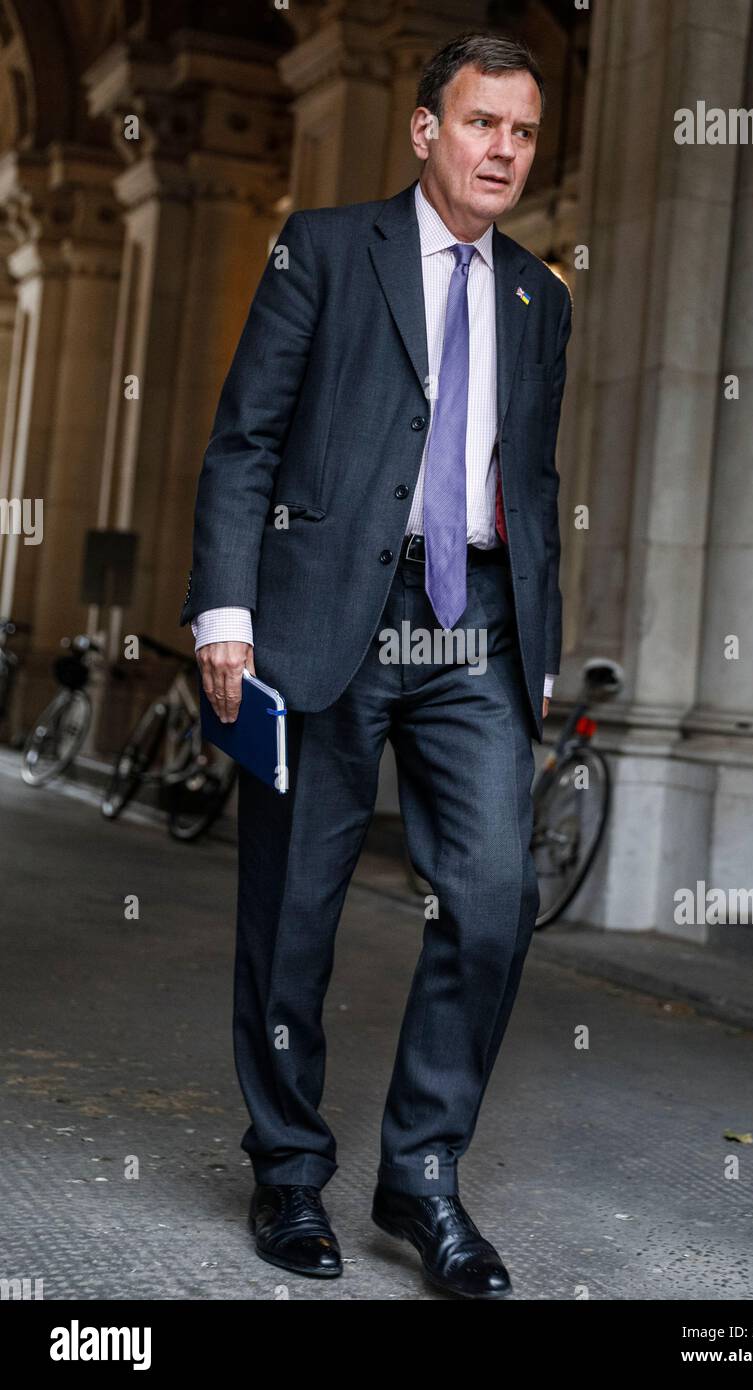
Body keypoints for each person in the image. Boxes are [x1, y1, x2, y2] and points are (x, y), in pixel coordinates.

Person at [180, 30, 572, 1300]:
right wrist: (224, 613)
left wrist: (545, 646)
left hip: (475, 630)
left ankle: (421, 1172)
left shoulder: (538, 298)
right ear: (424, 131)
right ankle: (290, 1170)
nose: (502, 149)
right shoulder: (323, 249)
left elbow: (532, 479)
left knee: (497, 894)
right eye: (480, 124)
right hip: (322, 616)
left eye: (520, 130)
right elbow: (244, 439)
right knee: (294, 908)